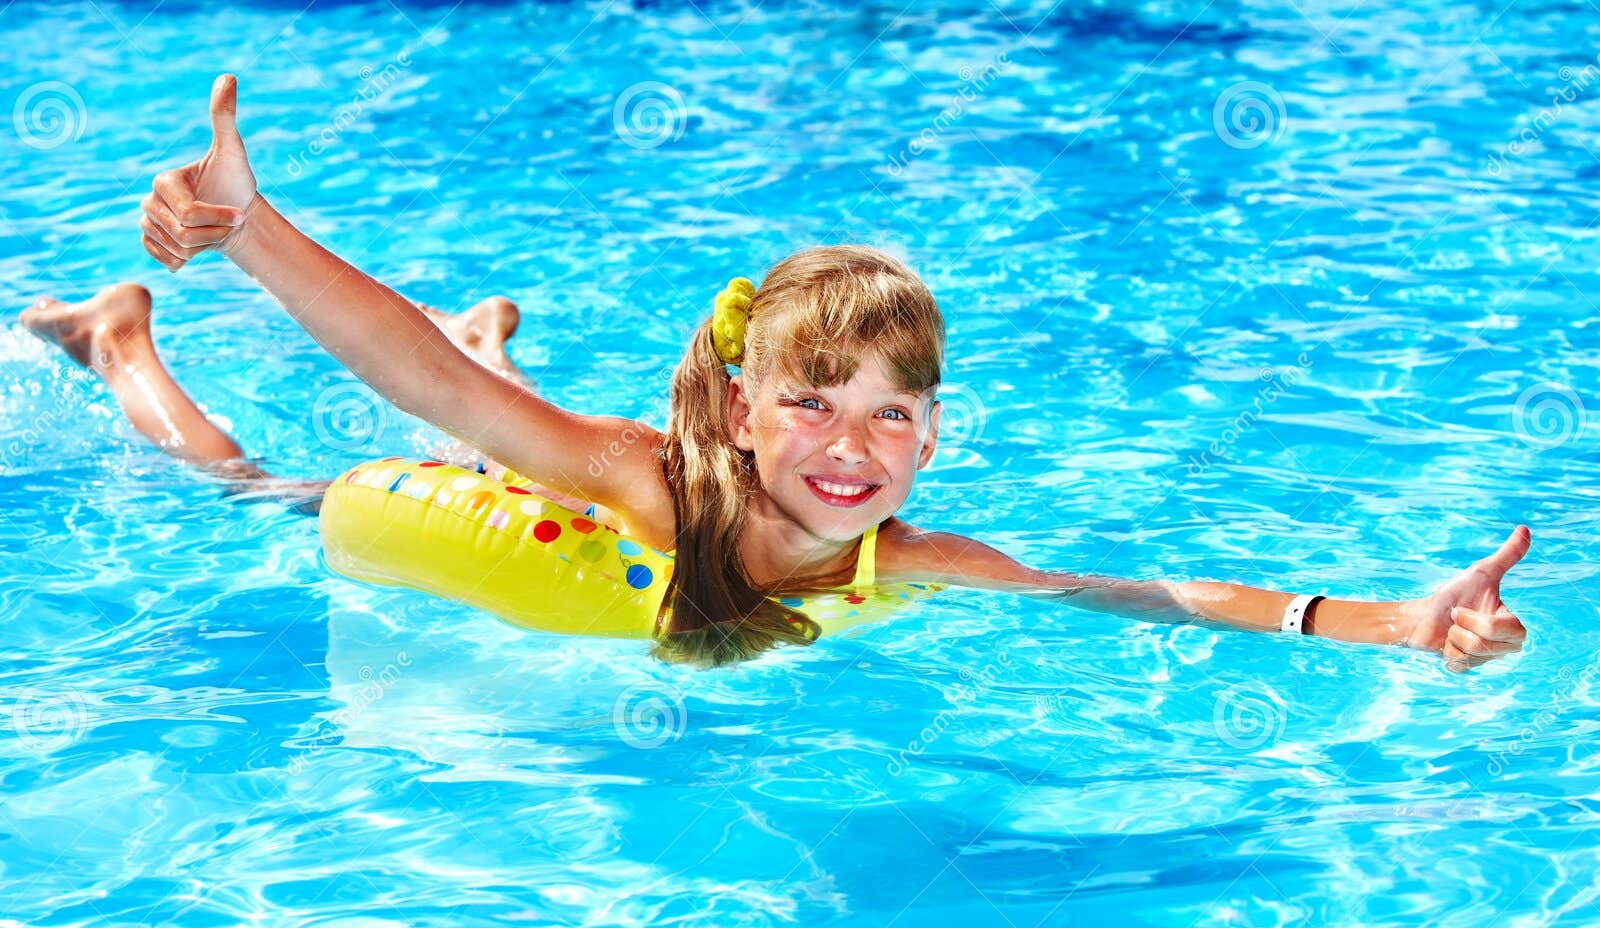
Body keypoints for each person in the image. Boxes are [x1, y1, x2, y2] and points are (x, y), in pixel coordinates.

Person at [27, 75, 1530, 671]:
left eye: (891, 414)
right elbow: (417, 381)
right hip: (499, 513)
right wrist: (253, 232)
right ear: (742, 409)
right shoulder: (652, 480)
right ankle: (122, 342)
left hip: (576, 519)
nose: (850, 448)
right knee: (250, 489)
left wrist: (1395, 621)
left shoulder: (916, 558)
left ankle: (493, 338)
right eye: (812, 402)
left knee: (506, 426)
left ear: (931, 435)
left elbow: (1148, 595)